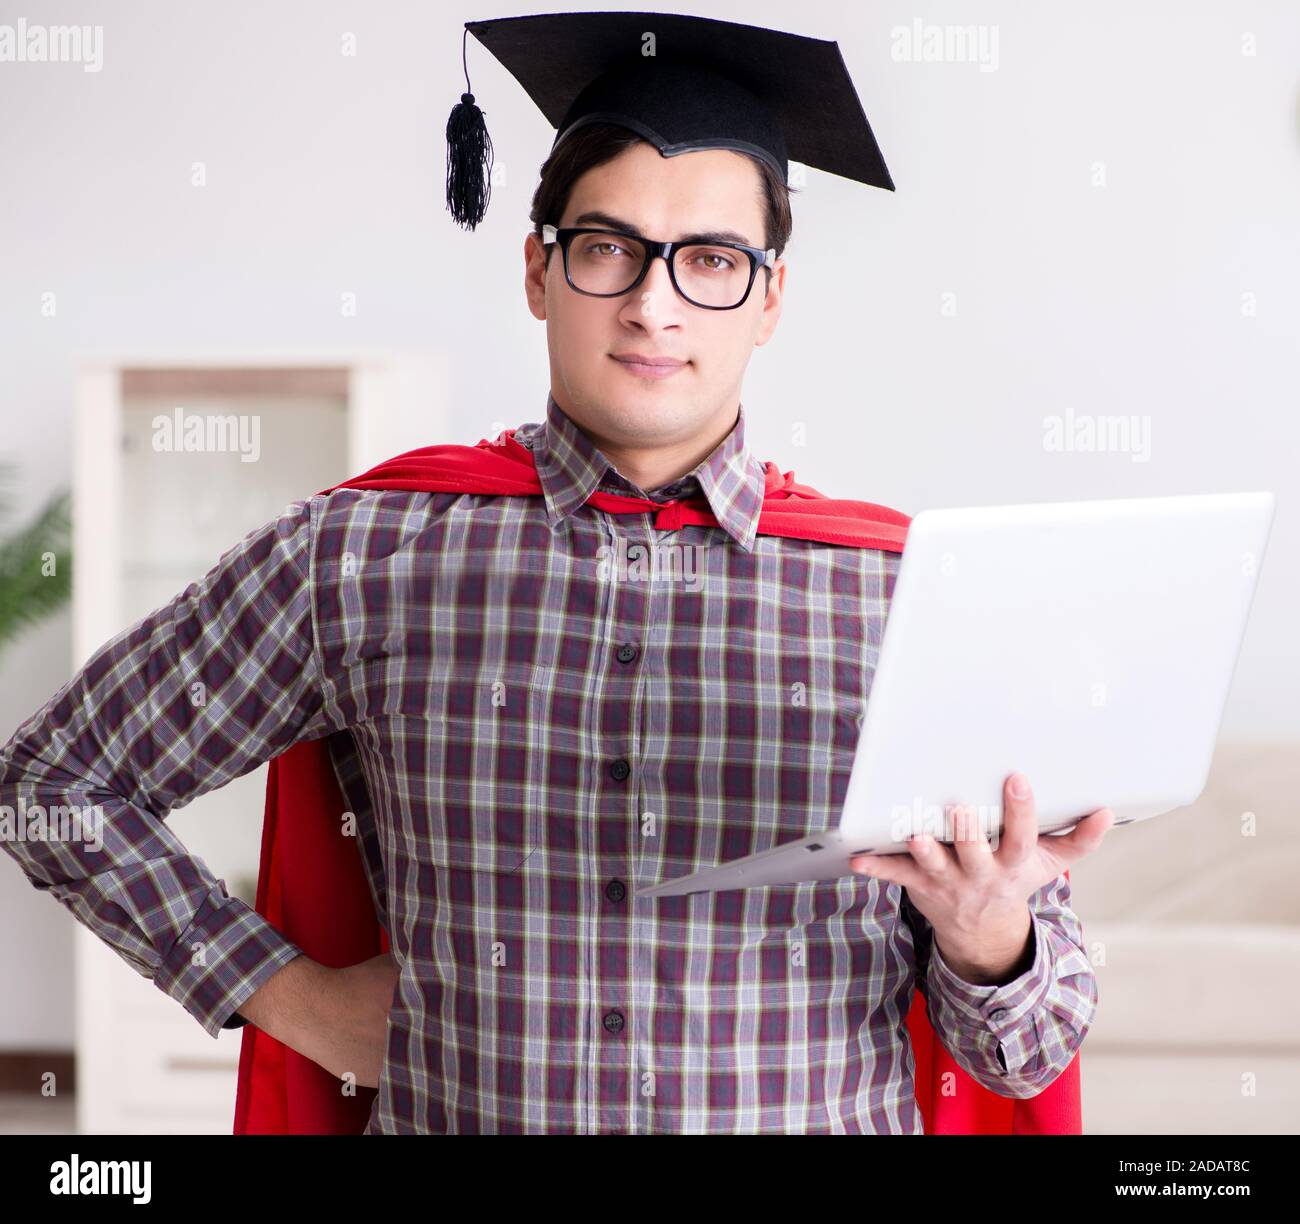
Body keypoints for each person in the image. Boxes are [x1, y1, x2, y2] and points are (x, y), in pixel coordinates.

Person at [0, 11, 1112, 1134]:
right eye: (607, 248)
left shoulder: (905, 599)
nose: (653, 303)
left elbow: (1025, 1056)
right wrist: (299, 1003)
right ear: (538, 270)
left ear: (770, 299)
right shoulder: (361, 554)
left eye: (714, 261)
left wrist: (987, 940)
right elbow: (52, 784)